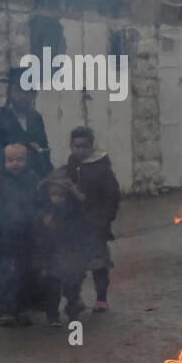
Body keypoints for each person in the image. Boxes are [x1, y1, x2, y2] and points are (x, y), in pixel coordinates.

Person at [0, 142, 40, 327]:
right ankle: (5, 309)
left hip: (25, 236)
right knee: (4, 273)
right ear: (4, 161)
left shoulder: (32, 178)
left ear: (26, 160)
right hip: (2, 236)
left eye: (19, 160)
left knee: (25, 273)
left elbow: (39, 199)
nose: (15, 163)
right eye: (10, 160)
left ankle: (21, 308)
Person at [63, 126, 120, 312]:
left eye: (84, 146)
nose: (80, 150)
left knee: (99, 264)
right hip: (75, 225)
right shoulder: (70, 166)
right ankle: (75, 298)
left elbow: (112, 195)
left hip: (96, 224)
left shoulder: (101, 168)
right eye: (76, 146)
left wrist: (105, 218)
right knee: (74, 264)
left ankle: (101, 299)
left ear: (91, 146)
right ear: (71, 146)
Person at [33, 173, 95, 326]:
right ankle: (52, 315)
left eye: (61, 195)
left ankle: (73, 312)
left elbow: (83, 234)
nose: (57, 198)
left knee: (73, 287)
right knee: (53, 288)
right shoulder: (44, 214)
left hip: (72, 256)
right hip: (52, 257)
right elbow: (38, 235)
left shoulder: (76, 213)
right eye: (53, 195)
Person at [0, 66, 52, 179]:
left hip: (32, 185)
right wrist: (8, 155)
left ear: (34, 94)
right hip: (3, 184)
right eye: (18, 91)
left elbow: (44, 154)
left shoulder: (36, 118)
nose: (23, 96)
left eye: (27, 91)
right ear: (9, 92)